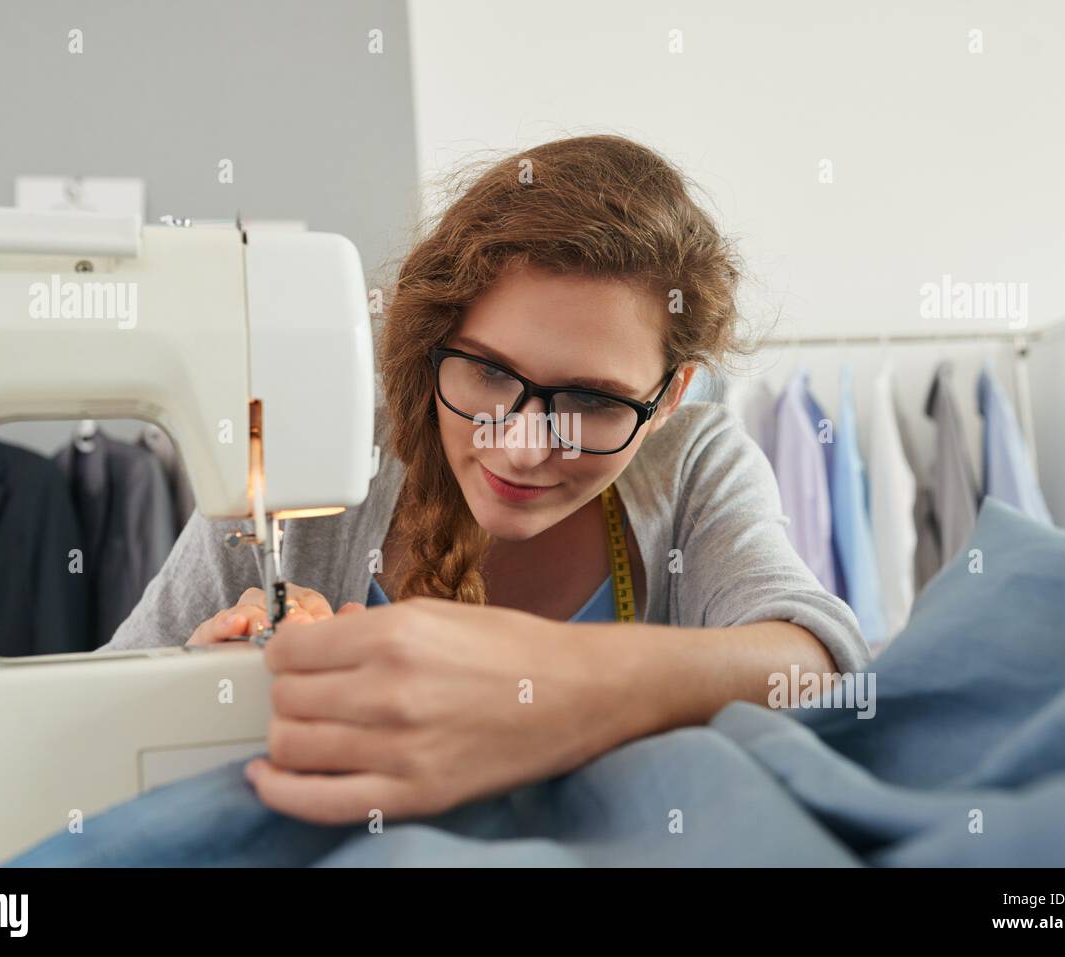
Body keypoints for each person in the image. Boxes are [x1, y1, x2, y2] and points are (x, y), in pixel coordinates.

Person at [96, 133, 869, 830]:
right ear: (435, 339)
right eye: (491, 372)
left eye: (593, 400)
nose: (524, 447)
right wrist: (206, 691)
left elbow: (821, 665)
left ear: (669, 396)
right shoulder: (310, 464)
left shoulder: (694, 469)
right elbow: (104, 728)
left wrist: (547, 685)